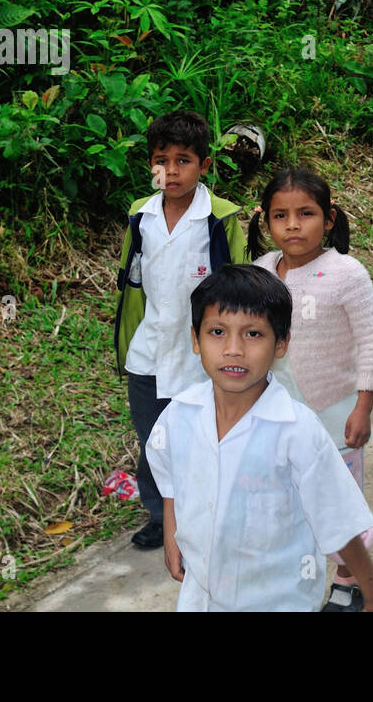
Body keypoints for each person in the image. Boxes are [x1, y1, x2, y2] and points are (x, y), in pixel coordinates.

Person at [148, 265, 373, 612]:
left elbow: (338, 517)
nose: (234, 349)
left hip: (278, 600)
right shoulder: (178, 417)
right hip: (200, 597)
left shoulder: (297, 431)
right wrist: (172, 534)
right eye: (218, 332)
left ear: (281, 343)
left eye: (253, 334)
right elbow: (171, 479)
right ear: (196, 339)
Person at [249, 167, 373, 611]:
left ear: (328, 219)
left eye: (305, 214)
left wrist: (362, 406)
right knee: (288, 497)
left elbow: (372, 340)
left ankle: (349, 583)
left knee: (339, 500)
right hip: (276, 411)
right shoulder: (260, 272)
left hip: (333, 412)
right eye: (280, 215)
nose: (293, 225)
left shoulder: (346, 273)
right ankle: (295, 573)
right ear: (266, 222)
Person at [115, 110, 249, 551]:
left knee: (207, 438)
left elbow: (242, 286)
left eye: (183, 160)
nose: (170, 172)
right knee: (154, 440)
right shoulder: (140, 216)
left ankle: (211, 515)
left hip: (202, 359)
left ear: (205, 164)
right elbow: (131, 285)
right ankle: (160, 517)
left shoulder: (221, 219)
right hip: (149, 352)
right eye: (160, 160)